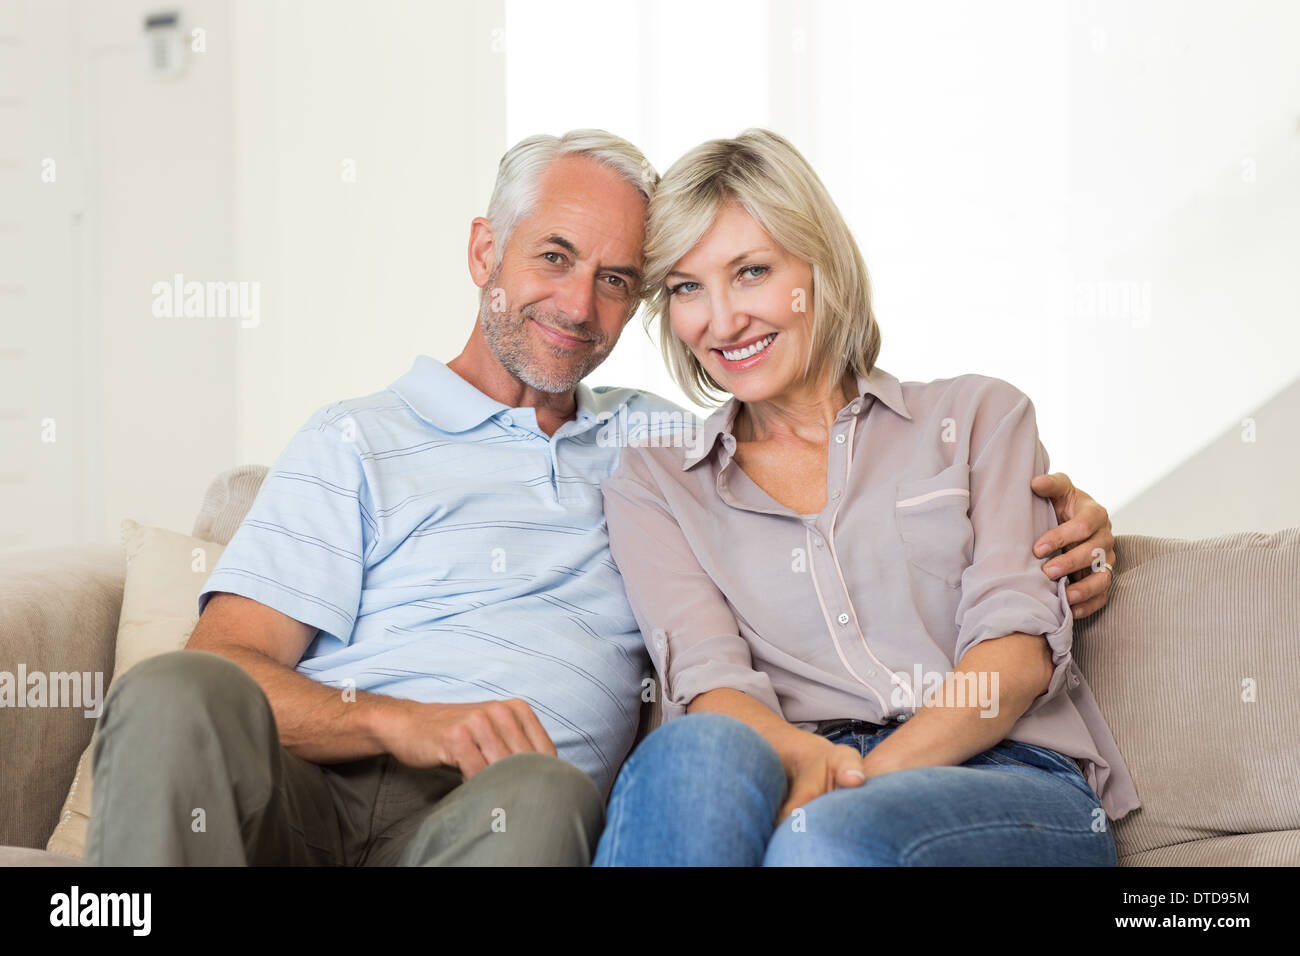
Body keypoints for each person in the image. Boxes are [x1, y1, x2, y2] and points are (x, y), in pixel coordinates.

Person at [85, 129, 1119, 867]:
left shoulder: (653, 443)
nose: (579, 305)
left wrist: (1066, 517)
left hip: (515, 813)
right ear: (485, 249)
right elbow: (224, 673)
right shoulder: (369, 440)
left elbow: (993, 619)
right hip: (315, 795)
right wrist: (408, 721)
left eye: (622, 278)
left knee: (555, 797)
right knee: (178, 687)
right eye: (553, 257)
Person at [593, 128, 1139, 867]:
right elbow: (711, 681)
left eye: (751, 271)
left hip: (1002, 776)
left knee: (827, 843)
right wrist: (806, 773)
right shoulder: (656, 481)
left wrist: (853, 786)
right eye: (687, 288)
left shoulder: (980, 417)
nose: (721, 322)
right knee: (689, 758)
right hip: (795, 769)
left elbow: (1012, 660)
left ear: (818, 266)